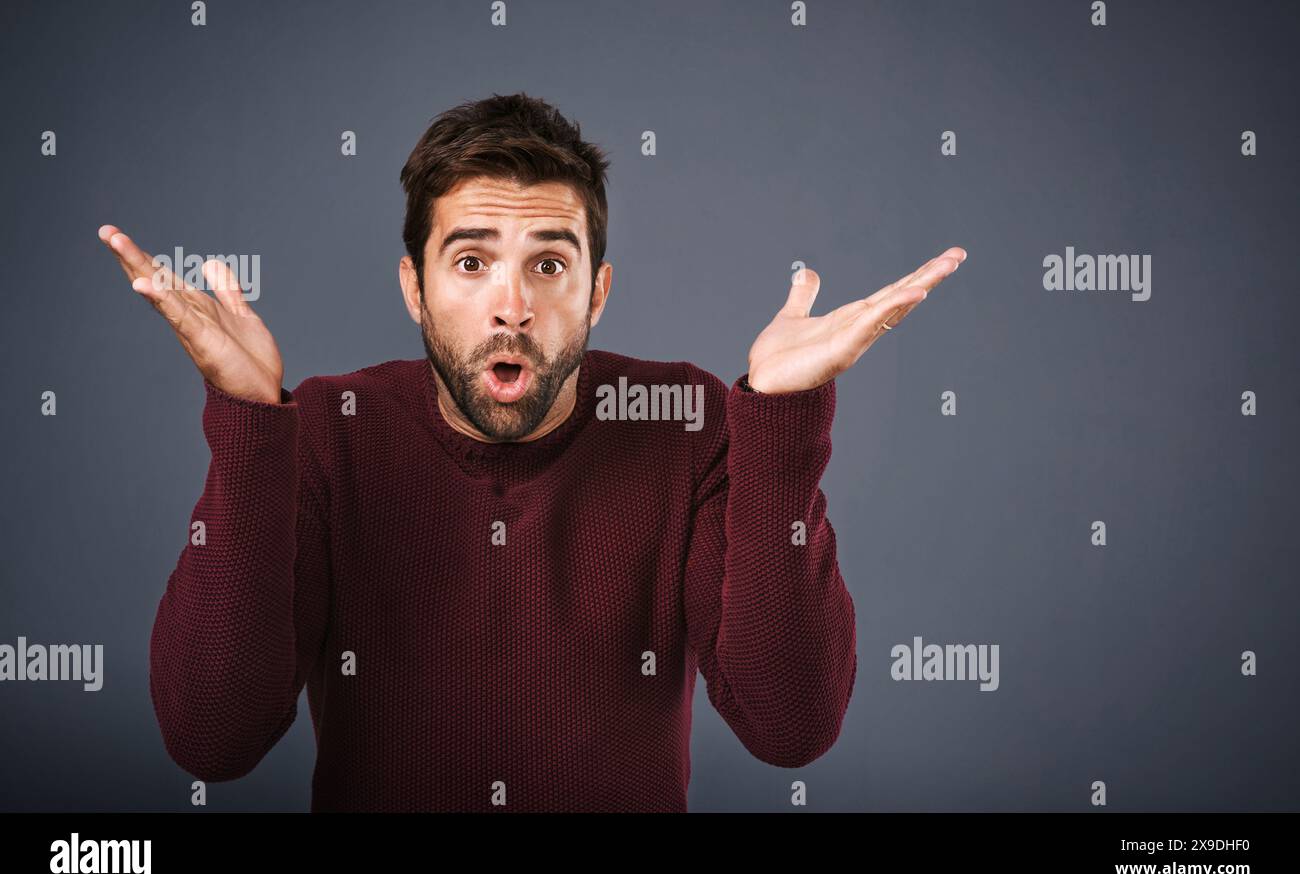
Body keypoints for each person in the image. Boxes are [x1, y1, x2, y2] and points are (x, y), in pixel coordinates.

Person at [99, 92, 965, 812]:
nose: (510, 305)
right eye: (471, 261)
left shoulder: (686, 423)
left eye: (549, 266)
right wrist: (250, 426)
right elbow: (211, 738)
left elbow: (791, 727)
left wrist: (779, 420)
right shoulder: (331, 429)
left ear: (597, 293)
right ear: (415, 288)